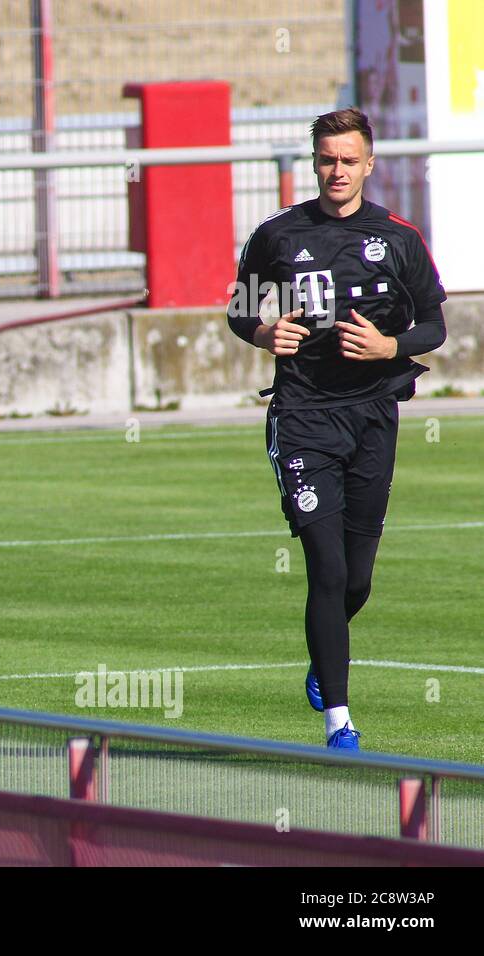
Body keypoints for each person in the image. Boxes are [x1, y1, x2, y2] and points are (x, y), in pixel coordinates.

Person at [227, 108, 446, 750]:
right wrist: (265, 333)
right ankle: (340, 723)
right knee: (325, 567)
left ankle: (323, 657)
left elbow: (434, 324)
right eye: (327, 159)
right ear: (314, 162)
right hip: (301, 417)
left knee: (356, 579)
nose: (337, 170)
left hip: (375, 415)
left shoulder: (398, 239)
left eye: (349, 159)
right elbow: (240, 309)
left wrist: (390, 347)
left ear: (369, 163)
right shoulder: (278, 236)